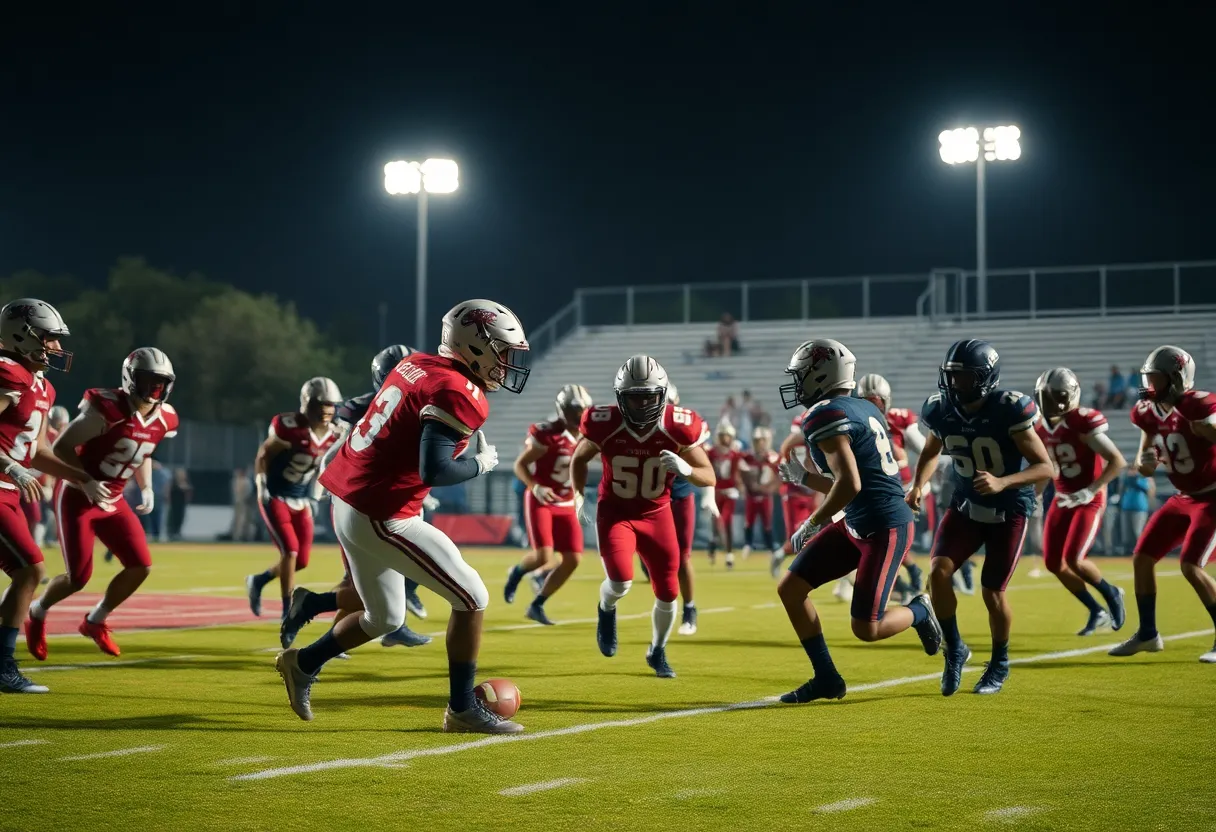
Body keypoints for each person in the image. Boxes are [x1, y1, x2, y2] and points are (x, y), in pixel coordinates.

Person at [276, 299, 531, 734]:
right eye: (502, 352)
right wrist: (480, 464)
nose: (507, 363)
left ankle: (302, 663)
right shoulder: (458, 393)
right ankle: (461, 709)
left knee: (386, 618)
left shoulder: (417, 362)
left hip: (352, 501)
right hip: (383, 513)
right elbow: (436, 469)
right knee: (471, 598)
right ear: (476, 347)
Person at [774, 338, 942, 704]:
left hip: (884, 525)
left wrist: (814, 522)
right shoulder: (861, 408)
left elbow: (851, 483)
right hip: (858, 520)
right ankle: (826, 678)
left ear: (821, 375)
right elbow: (850, 481)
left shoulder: (824, 414)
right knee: (790, 589)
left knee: (866, 628)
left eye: (802, 375)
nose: (798, 383)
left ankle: (919, 610)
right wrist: (803, 478)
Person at [907, 339, 1054, 696]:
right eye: (952, 376)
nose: (955, 384)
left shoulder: (1010, 409)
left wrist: (1004, 481)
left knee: (992, 592)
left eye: (964, 377)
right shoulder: (940, 410)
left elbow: (1046, 467)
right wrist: (917, 486)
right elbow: (930, 451)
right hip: (965, 505)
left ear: (985, 378)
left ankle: (999, 662)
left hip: (1009, 510)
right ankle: (955, 648)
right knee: (938, 573)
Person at [26, 348, 179, 659]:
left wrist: (146, 486)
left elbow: (142, 452)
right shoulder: (106, 408)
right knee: (78, 577)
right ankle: (37, 613)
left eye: (160, 382)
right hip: (79, 496)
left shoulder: (165, 417)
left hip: (114, 497)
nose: (155, 389)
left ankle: (95, 621)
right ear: (131, 379)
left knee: (140, 566)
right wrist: (85, 480)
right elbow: (62, 446)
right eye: (149, 381)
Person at [571, 355, 715, 678]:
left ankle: (657, 651)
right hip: (616, 512)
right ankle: (606, 609)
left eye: (648, 397)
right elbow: (579, 459)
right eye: (634, 397)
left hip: (657, 512)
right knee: (620, 580)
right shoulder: (604, 422)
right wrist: (578, 494)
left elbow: (710, 475)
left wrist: (687, 469)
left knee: (668, 591)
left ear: (661, 395)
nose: (640, 405)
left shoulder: (677, 425)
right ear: (620, 396)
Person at [280, 345, 431, 651]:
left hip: (388, 503)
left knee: (373, 583)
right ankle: (314, 610)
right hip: (358, 503)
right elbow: (339, 454)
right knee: (369, 588)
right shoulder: (362, 409)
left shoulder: (416, 405)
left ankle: (336, 635)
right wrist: (323, 489)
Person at [0, 299, 98, 693]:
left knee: (28, 570)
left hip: (9, 491)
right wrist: (8, 465)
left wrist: (80, 478)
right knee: (31, 569)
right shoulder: (7, 374)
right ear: (22, 335)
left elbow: (39, 451)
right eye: (49, 339)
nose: (56, 347)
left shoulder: (41, 385)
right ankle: (3, 665)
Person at [1110, 346, 1216, 663]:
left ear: (1176, 378)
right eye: (1148, 379)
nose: (1149, 386)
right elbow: (1145, 462)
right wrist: (1145, 462)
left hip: (1211, 496)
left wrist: (1210, 431)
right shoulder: (1146, 412)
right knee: (1142, 558)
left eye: (1155, 379)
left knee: (1190, 565)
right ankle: (1148, 633)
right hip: (1182, 497)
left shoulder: (1200, 406)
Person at [1032, 368, 1128, 636]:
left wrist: (1091, 489)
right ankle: (1096, 610)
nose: (1050, 402)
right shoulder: (1039, 427)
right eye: (1046, 396)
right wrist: (1036, 495)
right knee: (1053, 563)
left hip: (1089, 498)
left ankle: (1112, 594)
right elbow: (1048, 467)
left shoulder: (1082, 422)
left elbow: (1117, 461)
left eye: (1055, 396)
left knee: (1074, 559)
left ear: (1069, 397)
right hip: (1062, 497)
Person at [245, 377, 343, 624]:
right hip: (275, 494)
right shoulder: (288, 426)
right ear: (307, 403)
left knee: (301, 560)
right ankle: (288, 609)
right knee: (289, 551)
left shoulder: (337, 433)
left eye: (330, 404)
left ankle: (259, 580)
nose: (326, 409)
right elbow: (264, 455)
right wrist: (261, 485)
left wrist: (319, 491)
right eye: (321, 403)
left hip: (302, 499)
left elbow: (332, 466)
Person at [504, 384, 593, 624]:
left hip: (565, 502)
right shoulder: (548, 433)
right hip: (542, 499)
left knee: (573, 559)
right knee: (543, 555)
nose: (578, 416)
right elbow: (520, 465)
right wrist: (535, 486)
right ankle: (517, 573)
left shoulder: (588, 435)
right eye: (574, 411)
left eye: (581, 411)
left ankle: (537, 604)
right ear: (563, 410)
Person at [664, 383, 713, 636]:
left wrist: (709, 493)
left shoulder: (686, 424)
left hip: (680, 494)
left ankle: (689, 608)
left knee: (682, 556)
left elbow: (706, 467)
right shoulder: (635, 423)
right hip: (649, 497)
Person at [706, 422, 744, 569]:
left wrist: (740, 487)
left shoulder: (735, 453)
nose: (726, 439)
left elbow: (737, 474)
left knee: (726, 521)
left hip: (729, 491)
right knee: (716, 521)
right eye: (723, 436)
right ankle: (713, 541)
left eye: (728, 436)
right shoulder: (711, 452)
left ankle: (729, 554)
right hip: (715, 491)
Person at [741, 426, 780, 561]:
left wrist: (770, 488)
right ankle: (748, 544)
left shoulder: (772, 457)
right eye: (758, 440)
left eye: (763, 440)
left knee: (767, 522)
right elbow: (741, 472)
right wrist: (746, 484)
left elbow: (779, 476)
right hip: (751, 495)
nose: (761, 443)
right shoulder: (747, 456)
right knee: (749, 520)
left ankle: (770, 547)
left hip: (765, 495)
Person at [1120, 468, 1154, 554]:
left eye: (1133, 470)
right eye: (1130, 470)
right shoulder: (1126, 480)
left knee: (1137, 531)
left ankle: (1140, 550)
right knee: (1126, 532)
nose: (1131, 472)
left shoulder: (1143, 479)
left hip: (1139, 508)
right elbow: (1121, 491)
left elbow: (1147, 490)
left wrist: (1135, 480)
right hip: (1126, 507)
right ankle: (1127, 550)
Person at [167, 467, 192, 540]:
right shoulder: (173, 483)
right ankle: (171, 532)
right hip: (174, 504)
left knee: (180, 518)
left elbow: (189, 492)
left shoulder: (187, 482)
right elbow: (169, 492)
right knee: (173, 518)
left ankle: (178, 532)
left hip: (182, 504)